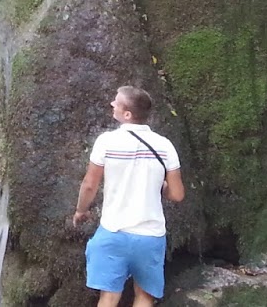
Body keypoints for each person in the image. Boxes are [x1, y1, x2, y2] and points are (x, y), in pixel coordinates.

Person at [72, 85, 186, 307]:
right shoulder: (165, 146)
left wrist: (81, 211)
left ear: (127, 114)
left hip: (113, 232)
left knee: (109, 296)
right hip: (150, 236)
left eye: (117, 102)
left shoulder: (106, 142)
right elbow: (178, 195)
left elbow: (89, 185)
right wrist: (162, 187)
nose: (112, 104)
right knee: (144, 296)